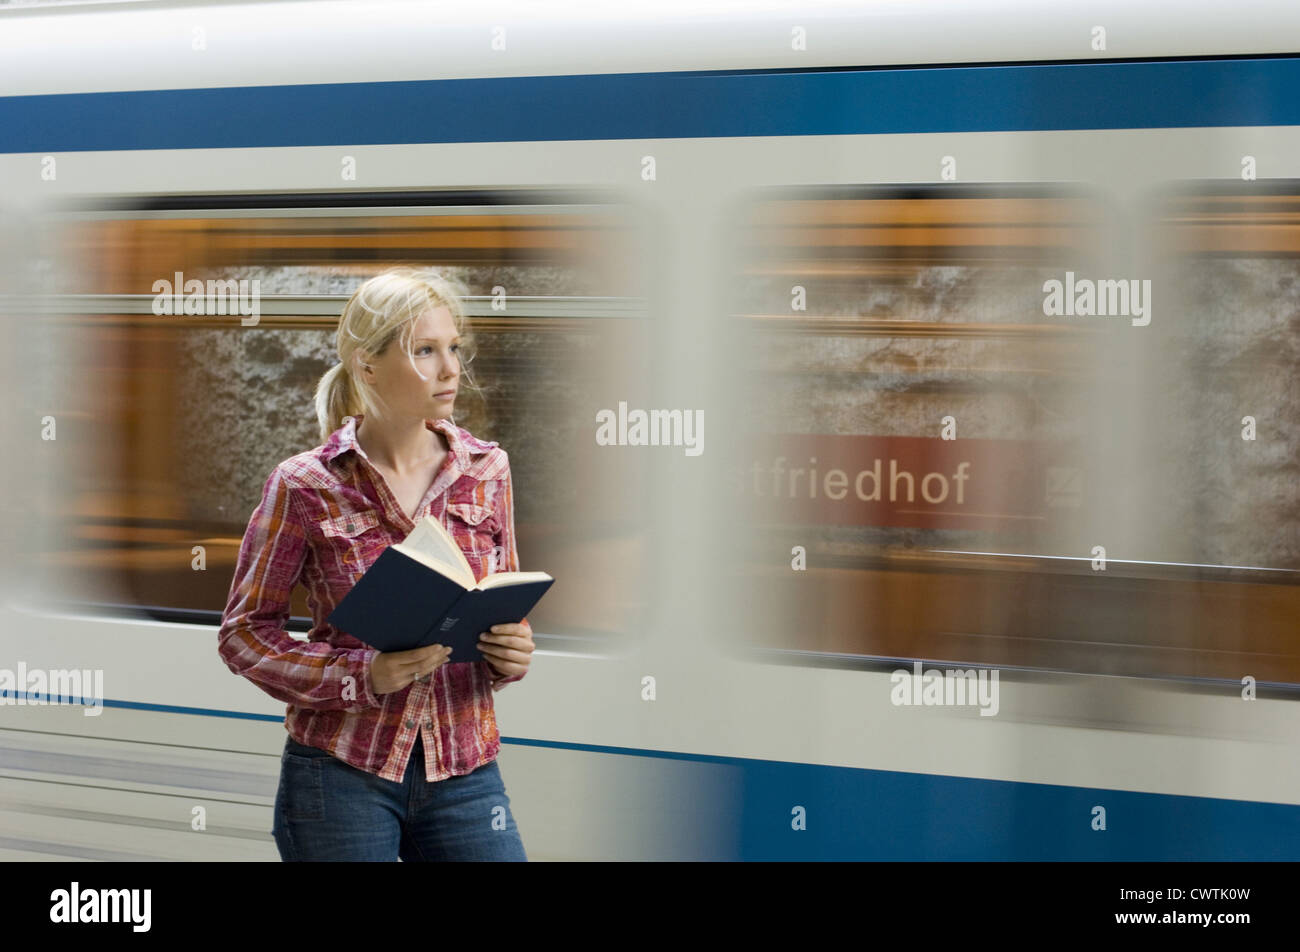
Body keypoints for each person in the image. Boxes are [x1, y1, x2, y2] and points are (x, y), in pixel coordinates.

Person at [217, 267, 535, 861]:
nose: (450, 370)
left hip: (464, 767)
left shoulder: (488, 470)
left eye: (453, 349)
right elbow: (243, 635)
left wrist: (511, 655)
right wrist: (359, 675)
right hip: (341, 771)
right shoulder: (305, 484)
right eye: (425, 350)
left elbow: (501, 605)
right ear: (368, 365)